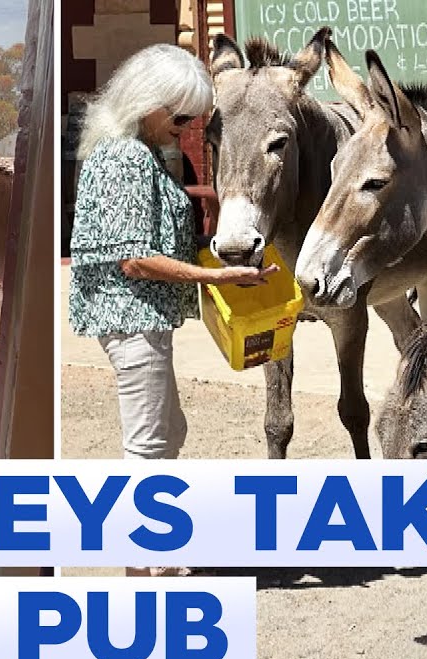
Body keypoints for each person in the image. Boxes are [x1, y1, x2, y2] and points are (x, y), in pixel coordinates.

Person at [69, 46, 277, 460]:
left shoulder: (137, 151)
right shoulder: (126, 156)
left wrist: (219, 251)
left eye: (192, 117)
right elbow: (134, 259)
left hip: (142, 322)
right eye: (180, 117)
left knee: (169, 431)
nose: (188, 126)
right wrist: (217, 277)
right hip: (134, 323)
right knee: (148, 446)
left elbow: (156, 240)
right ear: (146, 103)